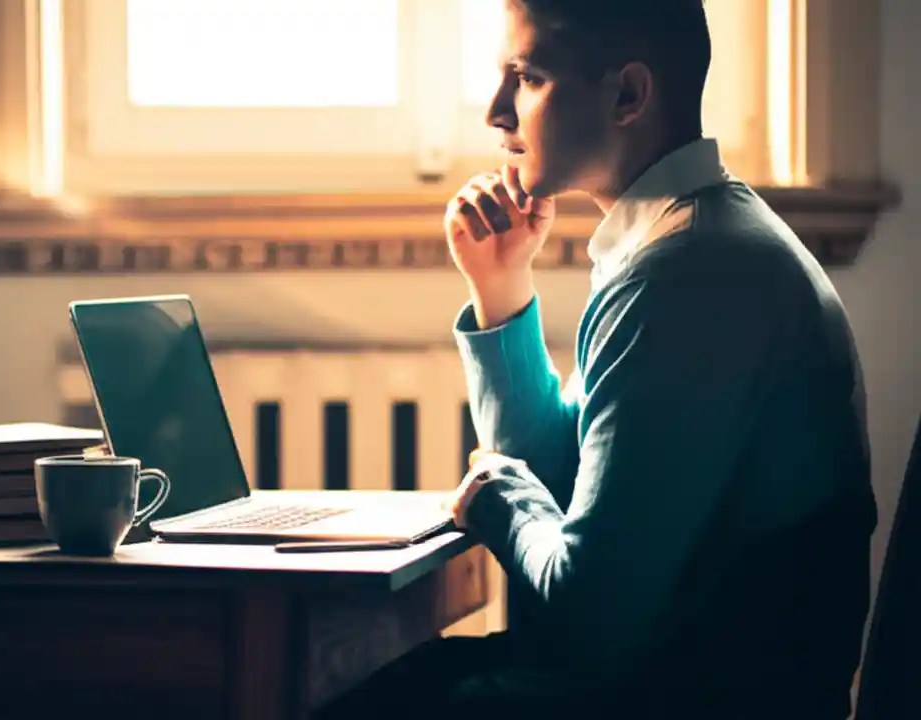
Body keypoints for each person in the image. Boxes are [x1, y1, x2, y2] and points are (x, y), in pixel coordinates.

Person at [319, 0, 877, 717]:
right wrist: (500, 288)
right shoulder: (685, 240)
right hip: (668, 681)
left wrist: (498, 496)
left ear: (628, 95)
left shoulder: (688, 272)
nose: (495, 112)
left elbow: (585, 614)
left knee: (339, 691)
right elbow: (564, 479)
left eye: (526, 76)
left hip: (693, 700)